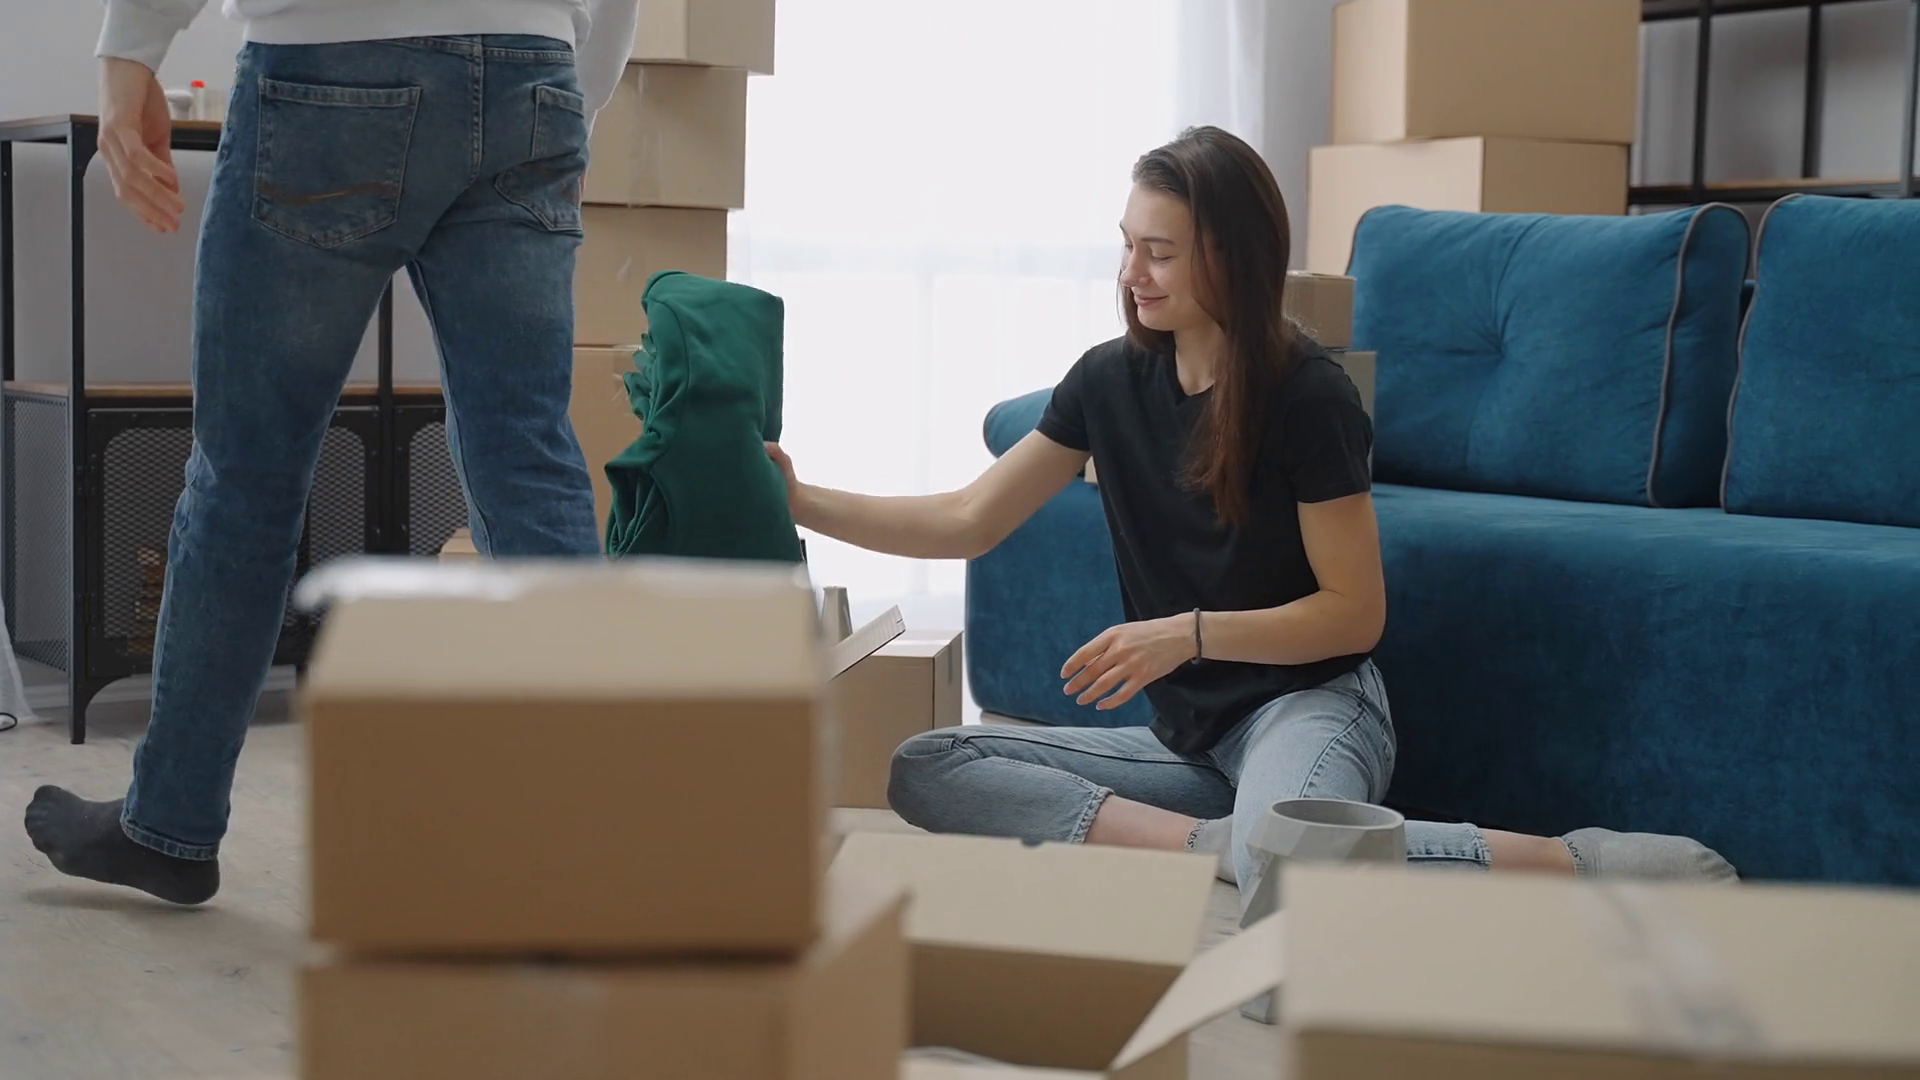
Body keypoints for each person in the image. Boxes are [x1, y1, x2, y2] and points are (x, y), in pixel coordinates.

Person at [766, 126, 1737, 893]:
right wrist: (801, 499)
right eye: (1129, 247)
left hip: (1310, 709)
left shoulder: (1306, 394)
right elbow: (966, 519)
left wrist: (1183, 635)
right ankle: (1220, 847)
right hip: (1190, 749)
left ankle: (1574, 864)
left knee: (1292, 859)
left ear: (1230, 258)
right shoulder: (1105, 384)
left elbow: (1354, 613)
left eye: (1161, 252)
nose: (1133, 275)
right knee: (930, 766)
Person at [26, 0, 640, 905]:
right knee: (528, 460)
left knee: (248, 475)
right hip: (529, 69)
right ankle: (600, 838)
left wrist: (131, 53)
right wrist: (574, 102)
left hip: (331, 64)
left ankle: (171, 825)